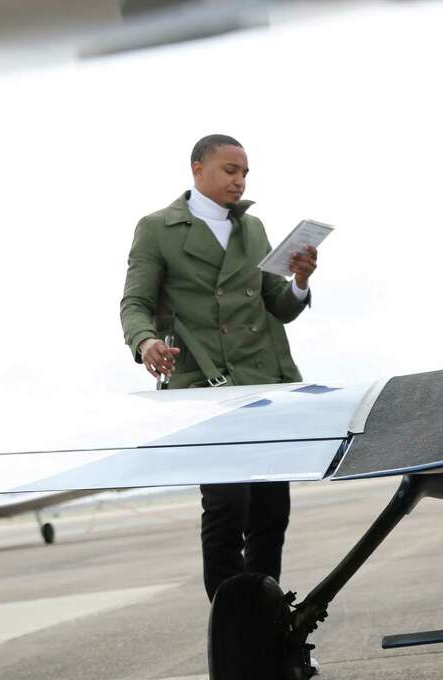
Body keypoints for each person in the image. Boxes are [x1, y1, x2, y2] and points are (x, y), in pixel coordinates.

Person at [120, 133, 318, 601]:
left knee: (271, 510)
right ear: (198, 169)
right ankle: (233, 619)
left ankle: (266, 616)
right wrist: (145, 341)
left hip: (266, 382)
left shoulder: (254, 230)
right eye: (231, 170)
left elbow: (278, 305)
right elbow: (135, 303)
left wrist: (302, 282)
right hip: (205, 387)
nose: (240, 180)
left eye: (245, 172)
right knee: (228, 505)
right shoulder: (156, 228)